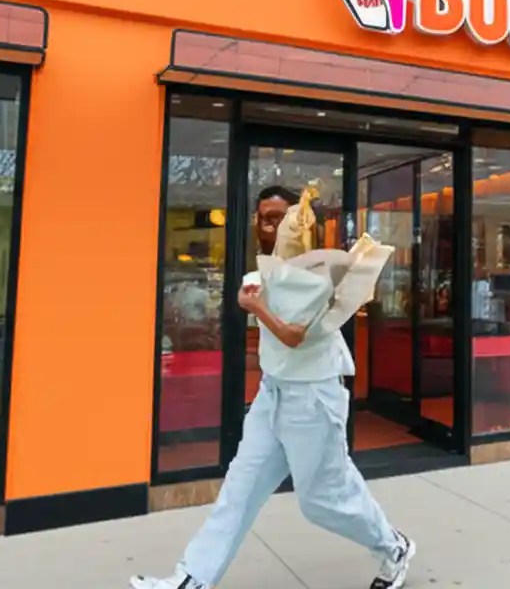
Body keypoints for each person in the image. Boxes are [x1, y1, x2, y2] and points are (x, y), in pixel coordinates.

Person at [131, 185, 415, 589]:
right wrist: (254, 301)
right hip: (274, 393)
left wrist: (257, 307)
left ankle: (393, 547)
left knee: (322, 500)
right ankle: (191, 579)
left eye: (285, 218)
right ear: (257, 224)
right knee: (240, 488)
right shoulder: (259, 275)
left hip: (315, 397)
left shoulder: (323, 275)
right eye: (267, 217)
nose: (277, 226)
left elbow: (294, 336)